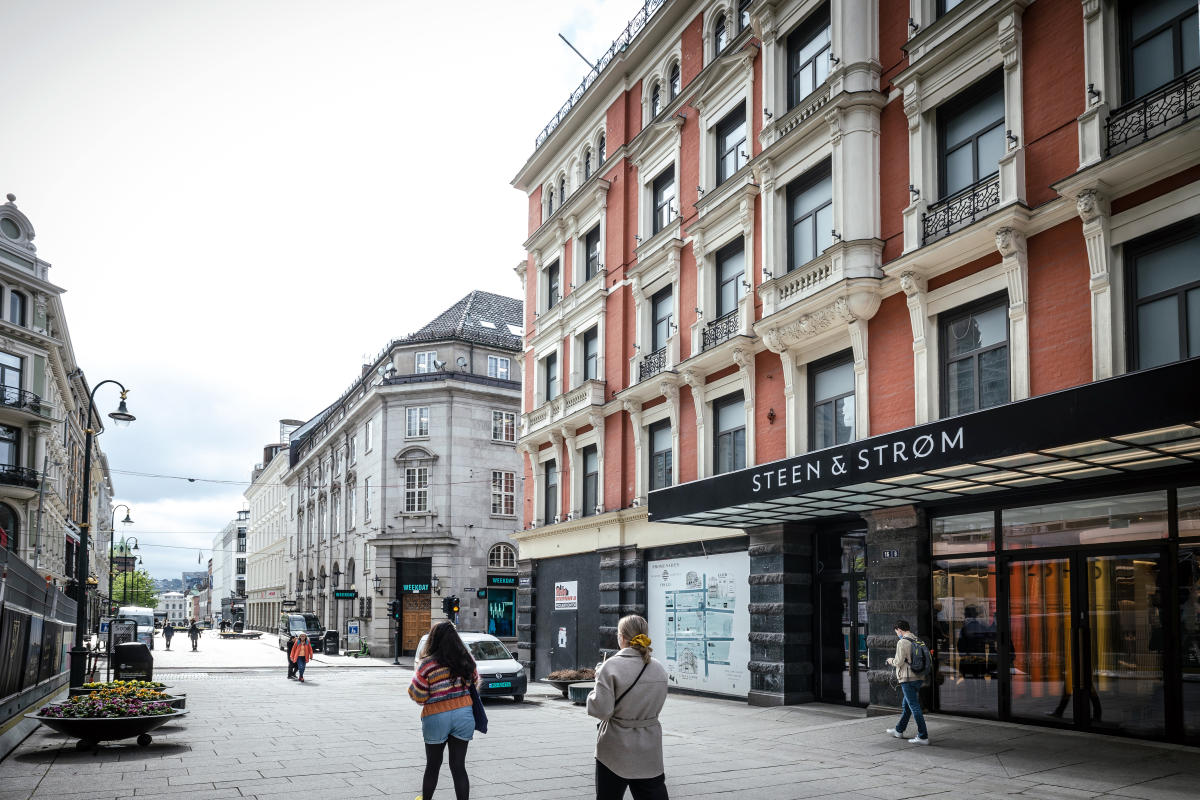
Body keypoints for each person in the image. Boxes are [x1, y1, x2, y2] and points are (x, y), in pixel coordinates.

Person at [587, 614, 670, 800]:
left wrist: (596, 685)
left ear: (622, 637)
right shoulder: (658, 668)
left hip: (615, 749)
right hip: (649, 748)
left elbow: (601, 710)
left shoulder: (611, 667)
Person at [407, 621, 478, 800]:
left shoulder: (427, 664)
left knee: (433, 765)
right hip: (464, 714)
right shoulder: (466, 660)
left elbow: (419, 695)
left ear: (433, 639)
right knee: (458, 766)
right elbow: (475, 683)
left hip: (436, 716)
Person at [885, 619, 929, 744]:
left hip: (907, 678)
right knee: (907, 705)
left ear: (899, 629)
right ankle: (899, 730)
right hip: (918, 677)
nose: (897, 634)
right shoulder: (918, 640)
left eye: (896, 632)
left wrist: (890, 660)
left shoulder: (902, 642)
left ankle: (923, 736)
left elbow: (898, 662)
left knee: (914, 706)